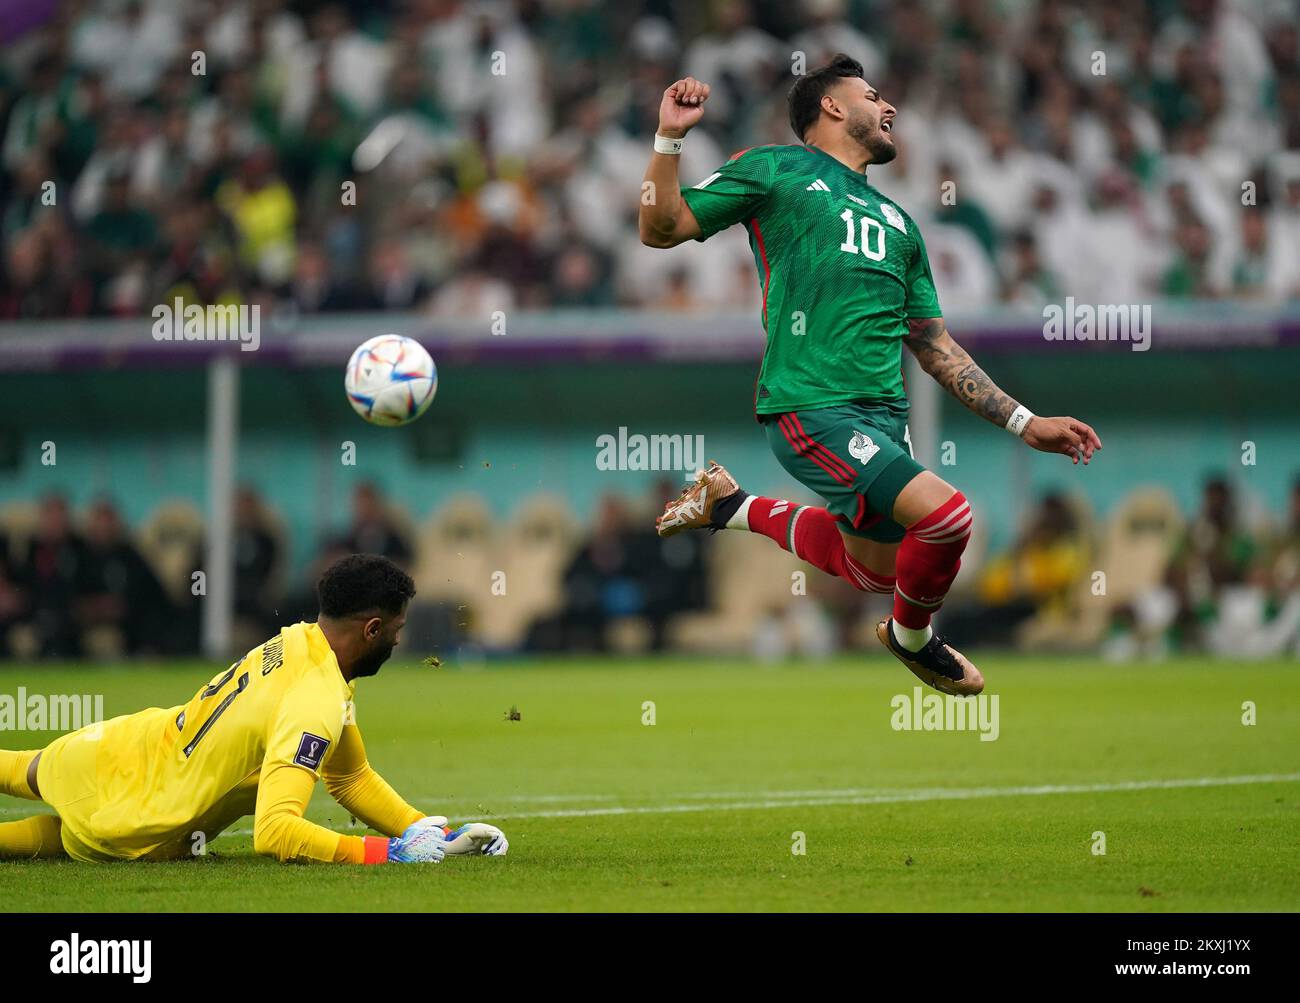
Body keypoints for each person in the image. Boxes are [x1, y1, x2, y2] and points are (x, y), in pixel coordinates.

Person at [640, 56, 1102, 694]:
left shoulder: (902, 226)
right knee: (947, 520)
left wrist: (1025, 422)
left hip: (884, 418)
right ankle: (913, 639)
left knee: (880, 574)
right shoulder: (777, 167)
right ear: (831, 106)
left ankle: (732, 505)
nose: (889, 108)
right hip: (811, 405)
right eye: (873, 95)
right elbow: (660, 227)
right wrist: (670, 138)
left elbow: (935, 346)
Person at [0, 554, 506, 864]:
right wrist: (387, 854)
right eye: (395, 632)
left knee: (20, 766)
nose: (397, 644)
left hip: (110, 750)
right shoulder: (317, 700)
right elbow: (275, 832)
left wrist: (432, 833)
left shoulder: (299, 642)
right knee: (55, 839)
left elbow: (350, 778)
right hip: (133, 821)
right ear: (372, 629)